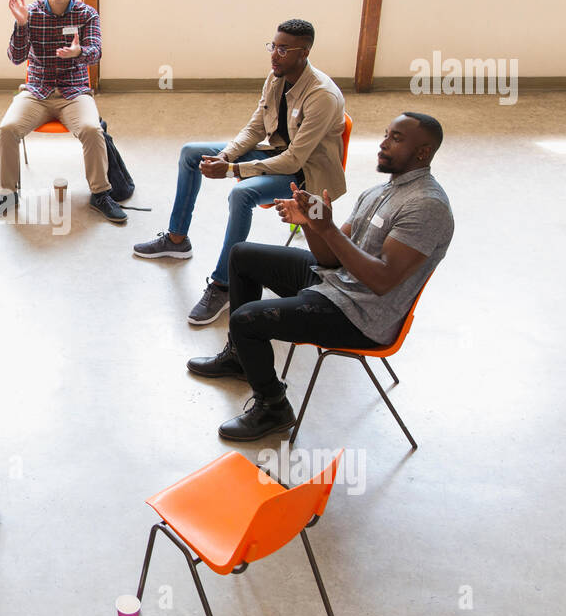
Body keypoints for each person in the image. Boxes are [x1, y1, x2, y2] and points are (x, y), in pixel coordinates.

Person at [187, 113, 452, 442]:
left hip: (360, 315)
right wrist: (311, 224)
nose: (383, 144)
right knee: (242, 255)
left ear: (423, 153)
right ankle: (240, 359)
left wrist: (325, 227)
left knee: (246, 320)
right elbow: (329, 257)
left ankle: (273, 407)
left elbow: (382, 281)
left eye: (396, 139)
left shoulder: (426, 207)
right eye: (385, 135)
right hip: (337, 282)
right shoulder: (378, 192)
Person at [134, 19, 347, 325]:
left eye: (284, 49)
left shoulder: (322, 96)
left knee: (242, 193)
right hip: (276, 153)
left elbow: (294, 160)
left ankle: (224, 284)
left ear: (305, 52)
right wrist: (224, 155)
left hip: (306, 174)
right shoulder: (277, 77)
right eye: (273, 46)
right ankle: (177, 239)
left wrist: (232, 169)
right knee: (192, 153)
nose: (274, 54)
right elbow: (256, 127)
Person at [0, 0, 126, 224]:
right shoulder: (32, 13)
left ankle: (101, 193)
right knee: (6, 130)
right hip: (37, 91)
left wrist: (79, 52)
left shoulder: (87, 14)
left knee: (91, 129)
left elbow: (96, 52)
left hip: (74, 92)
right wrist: (21, 25)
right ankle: (7, 194)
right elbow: (16, 58)